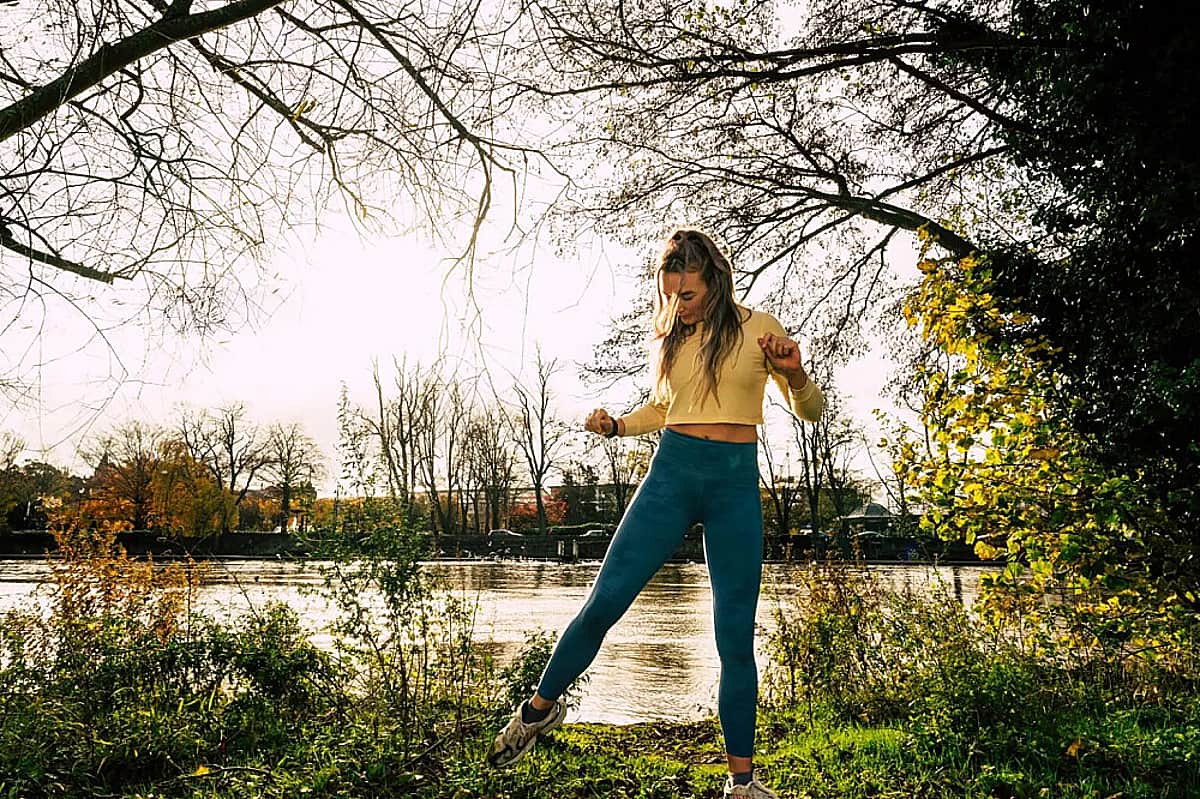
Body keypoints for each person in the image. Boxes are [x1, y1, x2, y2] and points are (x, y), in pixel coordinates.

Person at [488, 229, 824, 798]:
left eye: (686, 295)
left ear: (715, 279)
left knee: (734, 636)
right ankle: (539, 710)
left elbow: (809, 412)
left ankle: (741, 783)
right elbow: (666, 407)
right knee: (605, 602)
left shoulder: (760, 328)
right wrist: (618, 425)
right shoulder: (673, 338)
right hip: (671, 477)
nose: (677, 306)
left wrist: (793, 371)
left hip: (734, 486)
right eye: (669, 296)